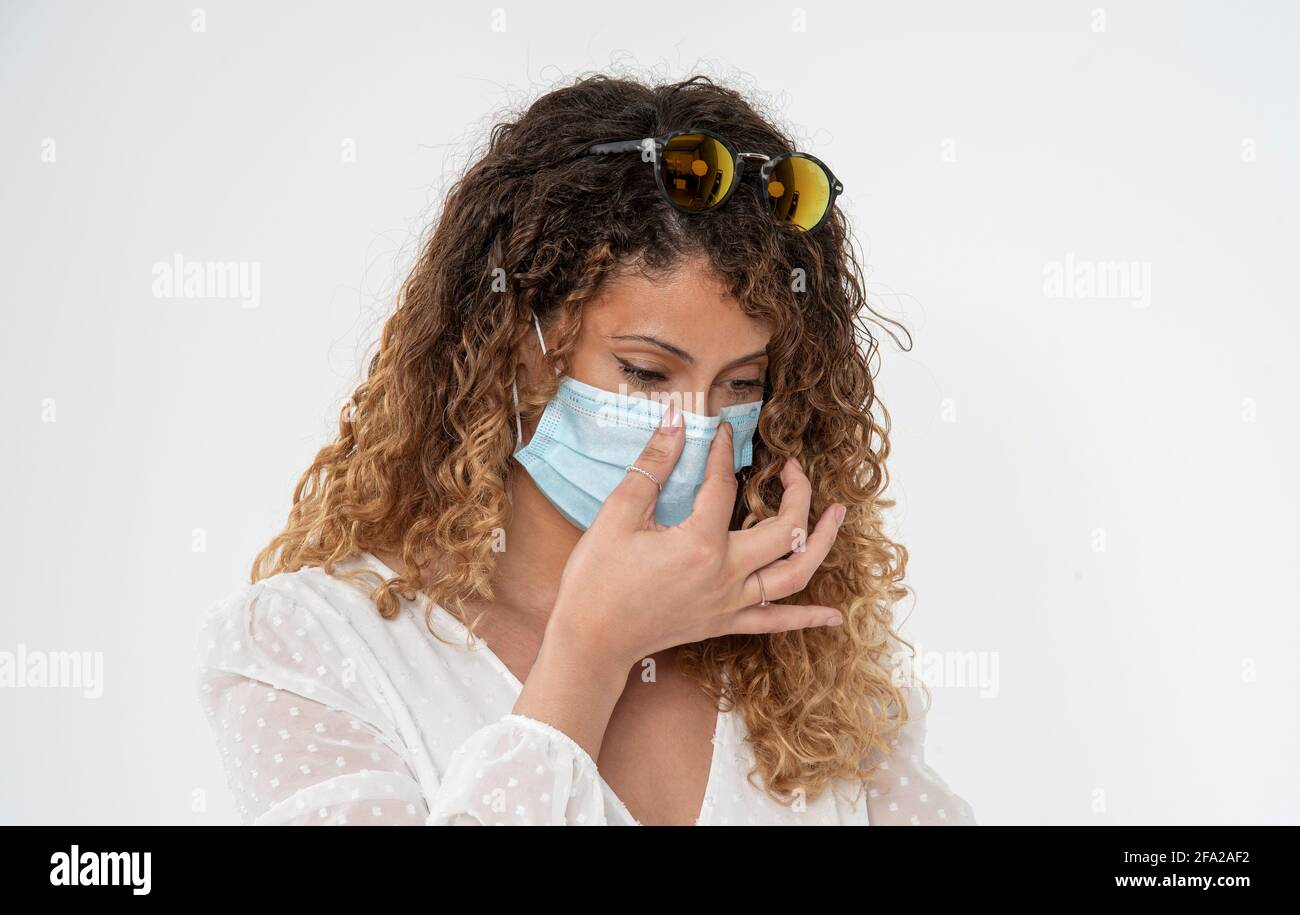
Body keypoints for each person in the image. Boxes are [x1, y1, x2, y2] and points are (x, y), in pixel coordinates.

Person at [196, 73, 977, 826]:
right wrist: (589, 654)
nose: (695, 428)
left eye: (742, 385)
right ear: (523, 345)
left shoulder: (808, 668)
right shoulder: (312, 650)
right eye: (644, 371)